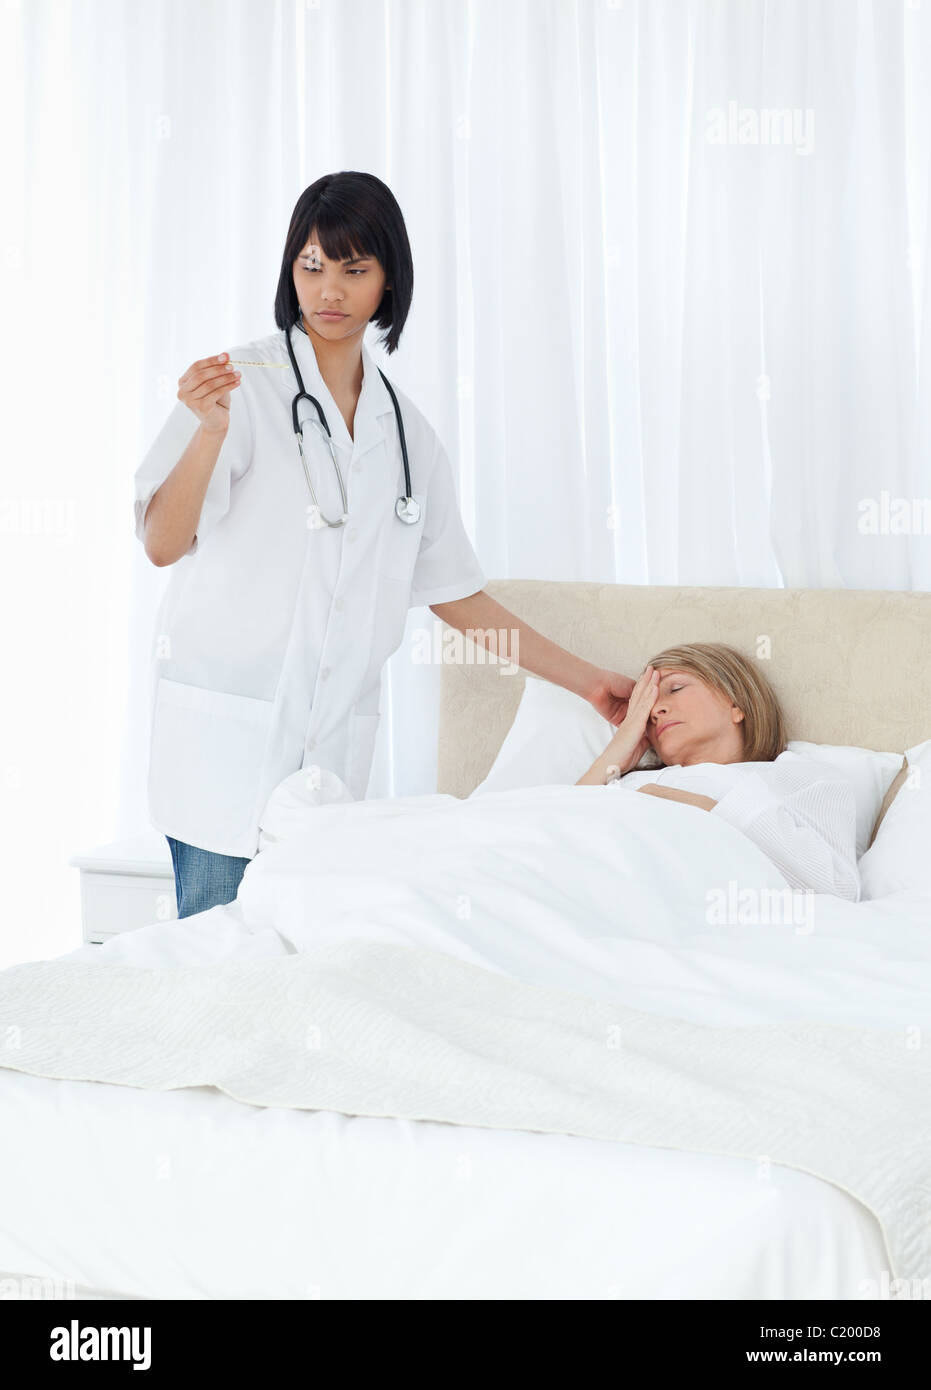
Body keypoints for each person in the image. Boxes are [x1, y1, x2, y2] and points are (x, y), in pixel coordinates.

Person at [135, 171, 635, 918]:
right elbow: (162, 543)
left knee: (295, 971)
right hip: (224, 749)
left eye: (353, 269)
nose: (328, 291)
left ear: (387, 282)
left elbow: (455, 593)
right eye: (312, 266)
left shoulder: (406, 434)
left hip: (326, 766)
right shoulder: (237, 386)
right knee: (214, 977)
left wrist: (588, 682)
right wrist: (208, 434)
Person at [577, 643, 860, 900]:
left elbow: (837, 889)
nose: (655, 711)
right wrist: (617, 749)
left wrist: (702, 807)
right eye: (645, 706)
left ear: (735, 703)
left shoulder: (802, 776)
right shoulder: (624, 780)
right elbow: (558, 826)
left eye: (675, 689)